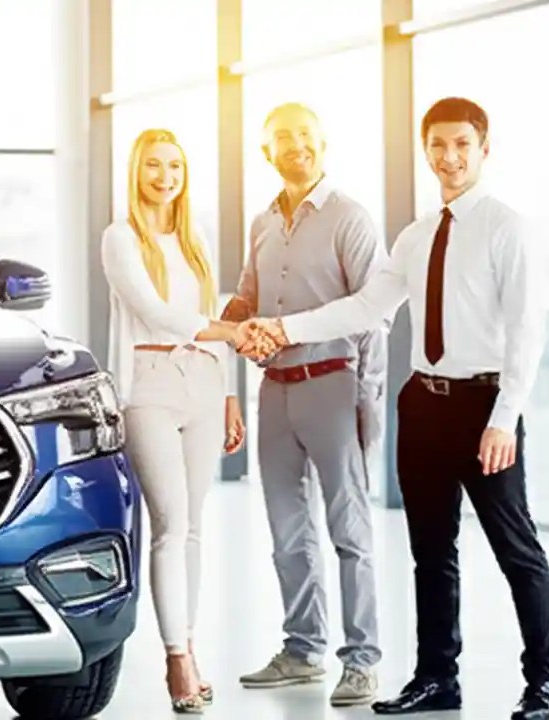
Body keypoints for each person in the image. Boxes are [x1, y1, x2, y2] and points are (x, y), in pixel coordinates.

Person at [247, 97, 549, 719]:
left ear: (483, 149)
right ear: (426, 151)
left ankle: (544, 685)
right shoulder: (416, 236)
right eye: (438, 146)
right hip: (424, 403)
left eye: (462, 146)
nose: (449, 158)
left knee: (515, 548)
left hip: (483, 406)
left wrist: (503, 418)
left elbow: (528, 331)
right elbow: (365, 308)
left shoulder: (507, 227)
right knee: (431, 552)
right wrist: (283, 329)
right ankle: (436, 679)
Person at [226, 102, 387, 707]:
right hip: (275, 390)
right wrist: (208, 324)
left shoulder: (350, 217)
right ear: (267, 153)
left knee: (350, 529)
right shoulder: (263, 223)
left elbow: (374, 314)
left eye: (306, 134)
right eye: (283, 138)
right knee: (287, 531)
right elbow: (248, 299)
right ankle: (302, 650)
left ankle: (363, 660)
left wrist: (366, 405)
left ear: (323, 143)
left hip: (333, 386)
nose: (297, 145)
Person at [100, 128, 260, 714]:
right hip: (150, 385)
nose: (165, 177)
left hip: (204, 383)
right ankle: (177, 657)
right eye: (154, 166)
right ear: (137, 171)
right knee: (168, 523)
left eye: (174, 166)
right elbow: (157, 312)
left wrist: (230, 397)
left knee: (193, 526)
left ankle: (188, 640)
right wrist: (227, 332)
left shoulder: (195, 242)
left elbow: (210, 315)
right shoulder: (120, 239)